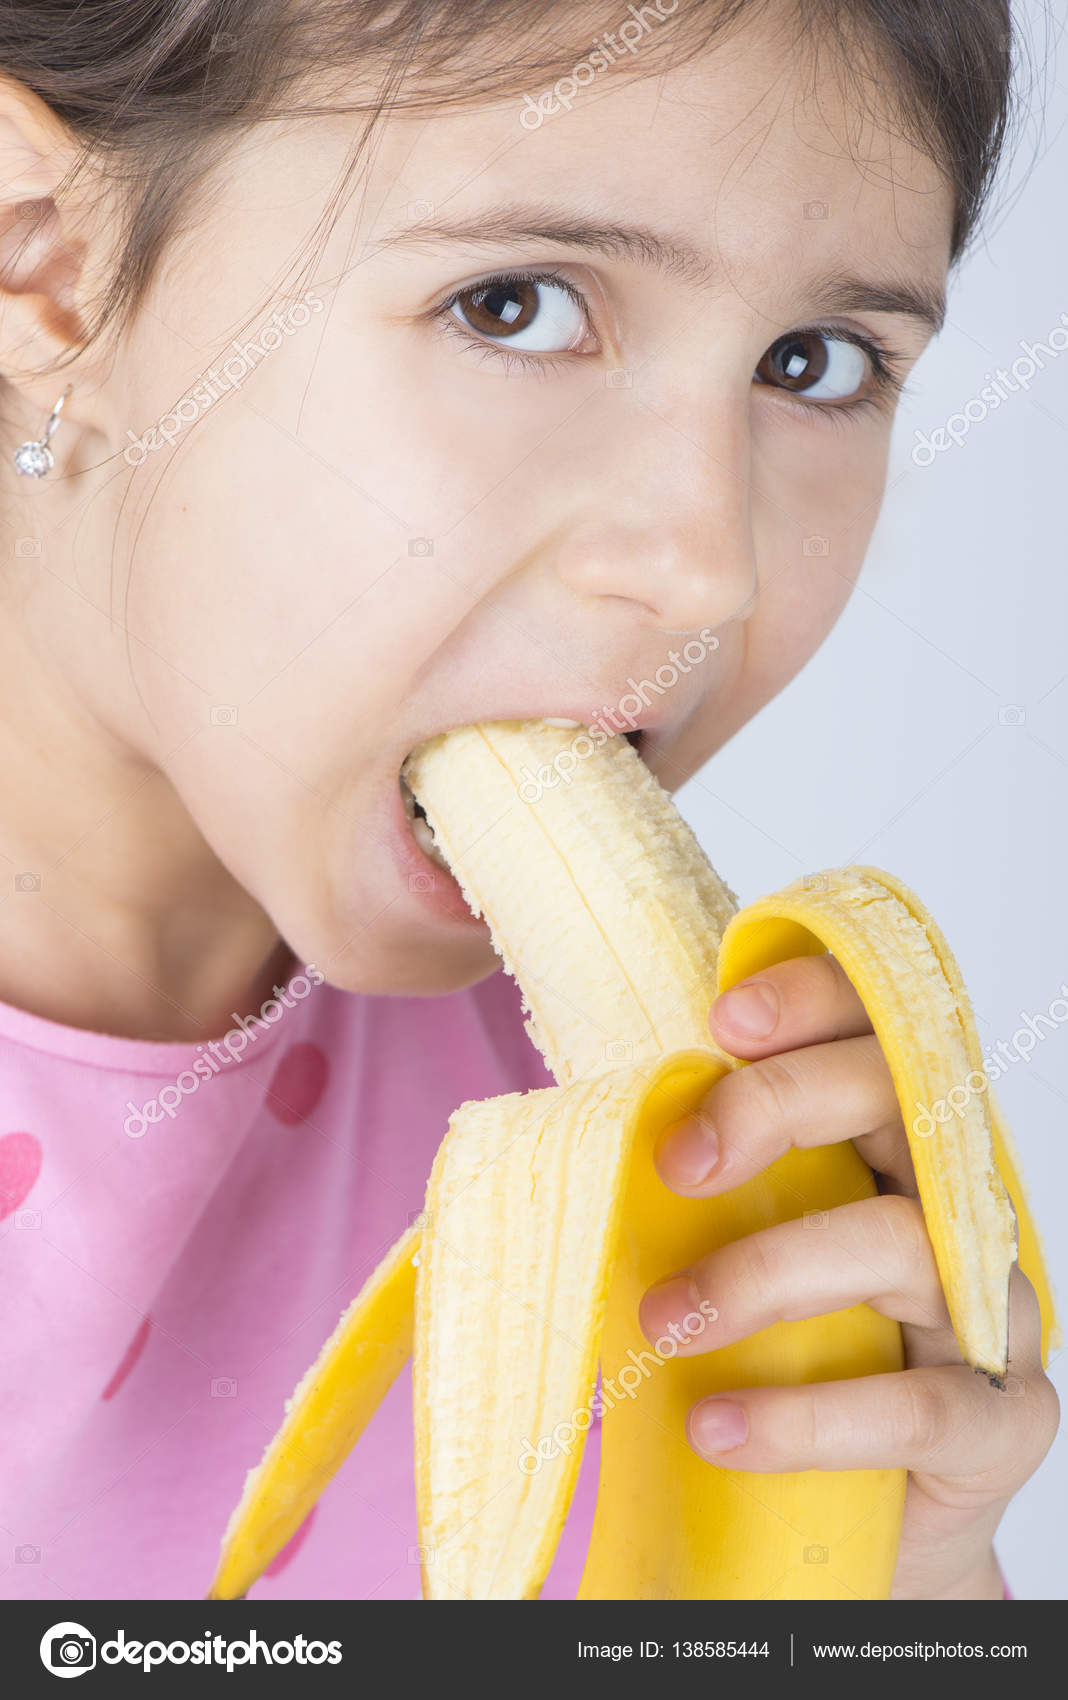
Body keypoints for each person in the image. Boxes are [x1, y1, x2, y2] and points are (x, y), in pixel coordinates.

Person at [0, 0, 1055, 1601]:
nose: (709, 562)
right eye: (516, 304)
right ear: (46, 264)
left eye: (813, 364)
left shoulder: (663, 1143)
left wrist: (886, 1584)